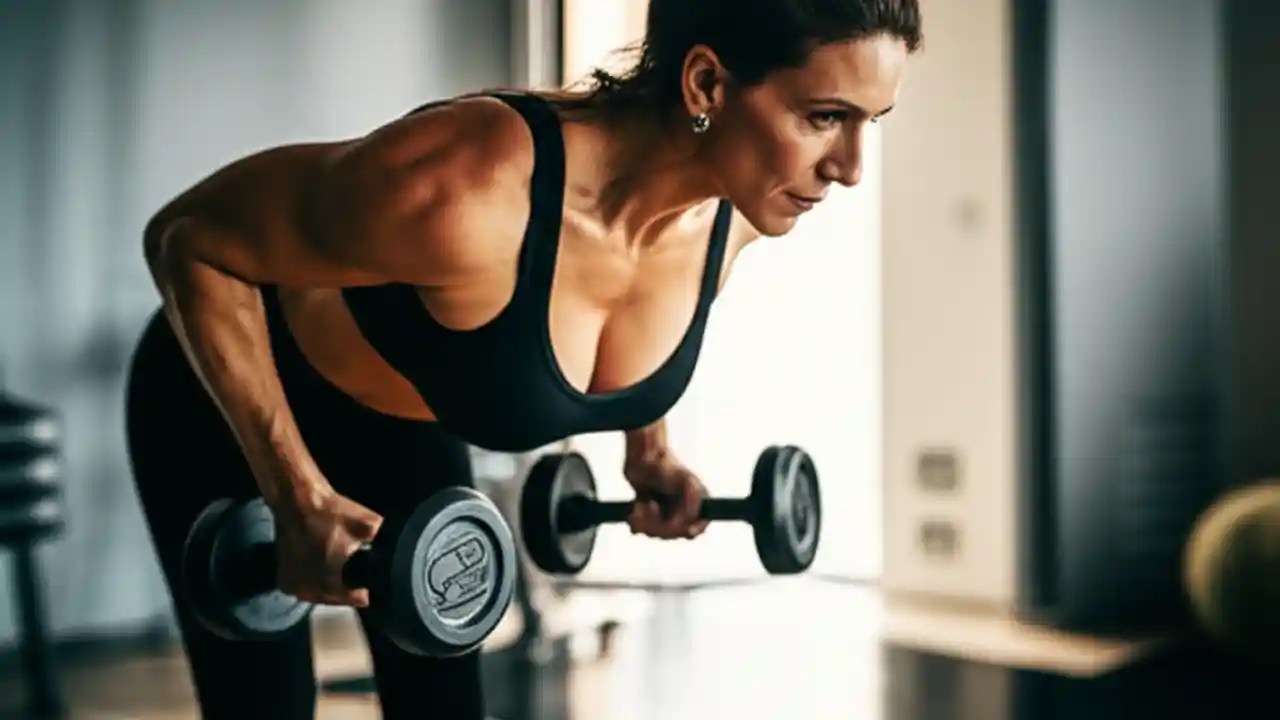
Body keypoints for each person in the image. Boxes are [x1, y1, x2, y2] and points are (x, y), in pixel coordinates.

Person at [125, 0, 922, 717]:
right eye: (825, 117)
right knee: (264, 707)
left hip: (403, 419)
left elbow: (634, 309)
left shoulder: (731, 219)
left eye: (870, 124)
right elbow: (190, 242)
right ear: (708, 82)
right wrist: (296, 495)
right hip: (231, 400)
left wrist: (649, 451)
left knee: (445, 702)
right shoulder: (469, 187)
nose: (851, 168)